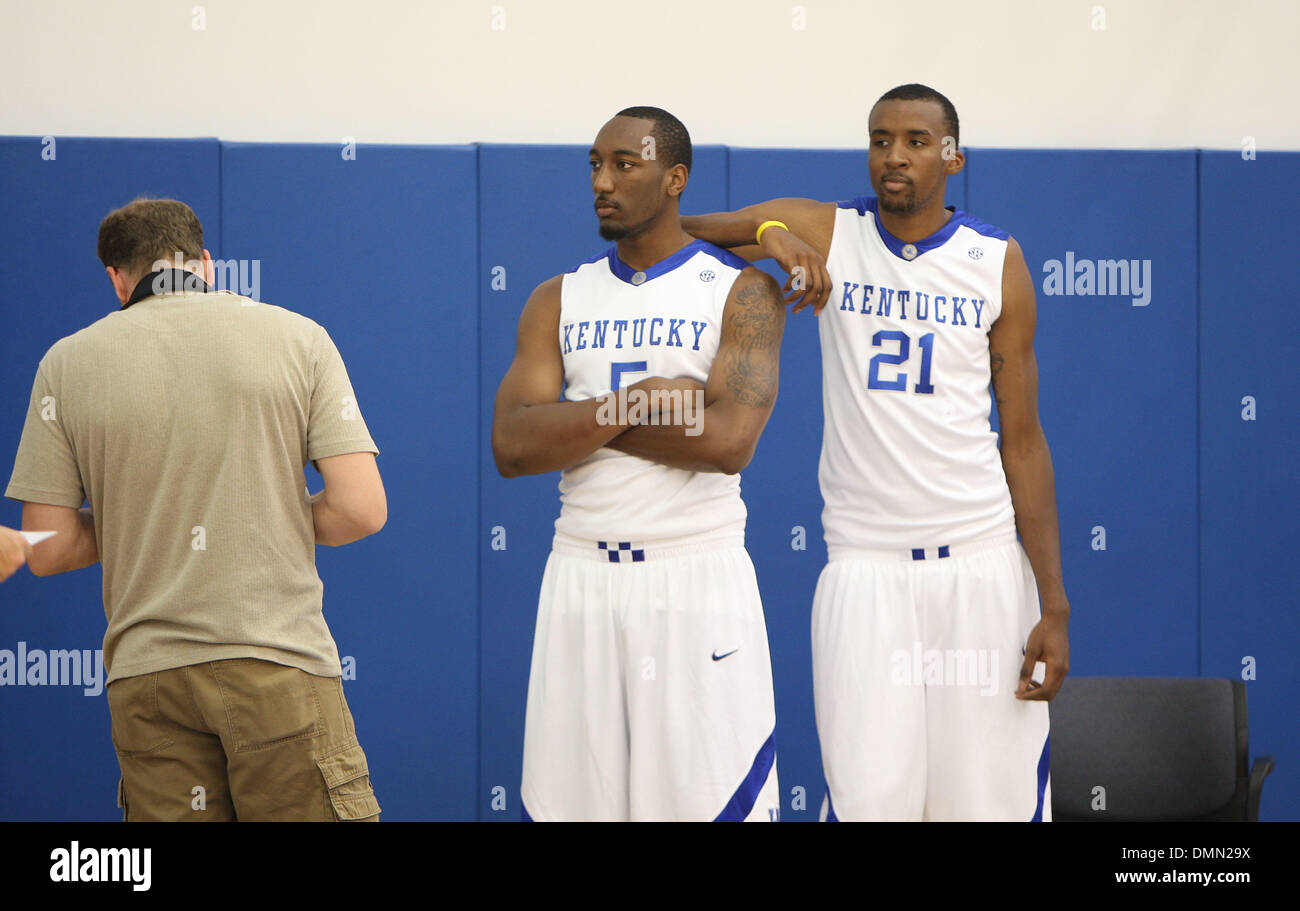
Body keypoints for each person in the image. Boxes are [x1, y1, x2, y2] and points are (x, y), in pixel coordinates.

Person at [682, 84, 1070, 821]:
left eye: (917, 141)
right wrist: (769, 232)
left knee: (990, 803)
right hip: (865, 568)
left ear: (953, 157)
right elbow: (675, 231)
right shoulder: (829, 231)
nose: (894, 156)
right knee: (869, 802)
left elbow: (1023, 440)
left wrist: (1054, 603)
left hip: (980, 567)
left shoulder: (996, 260)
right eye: (880, 139)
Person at [5, 197, 386, 821]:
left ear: (117, 279)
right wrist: (260, 510)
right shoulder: (299, 338)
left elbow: (45, 547)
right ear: (206, 263)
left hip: (149, 683)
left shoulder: (65, 363)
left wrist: (147, 516)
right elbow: (361, 510)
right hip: (278, 664)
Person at [493, 106, 787, 821]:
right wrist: (639, 402)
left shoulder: (742, 292)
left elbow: (727, 443)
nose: (603, 180)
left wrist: (579, 421)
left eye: (625, 164)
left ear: (675, 177)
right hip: (581, 574)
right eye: (595, 164)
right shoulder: (555, 298)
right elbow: (510, 444)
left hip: (694, 577)